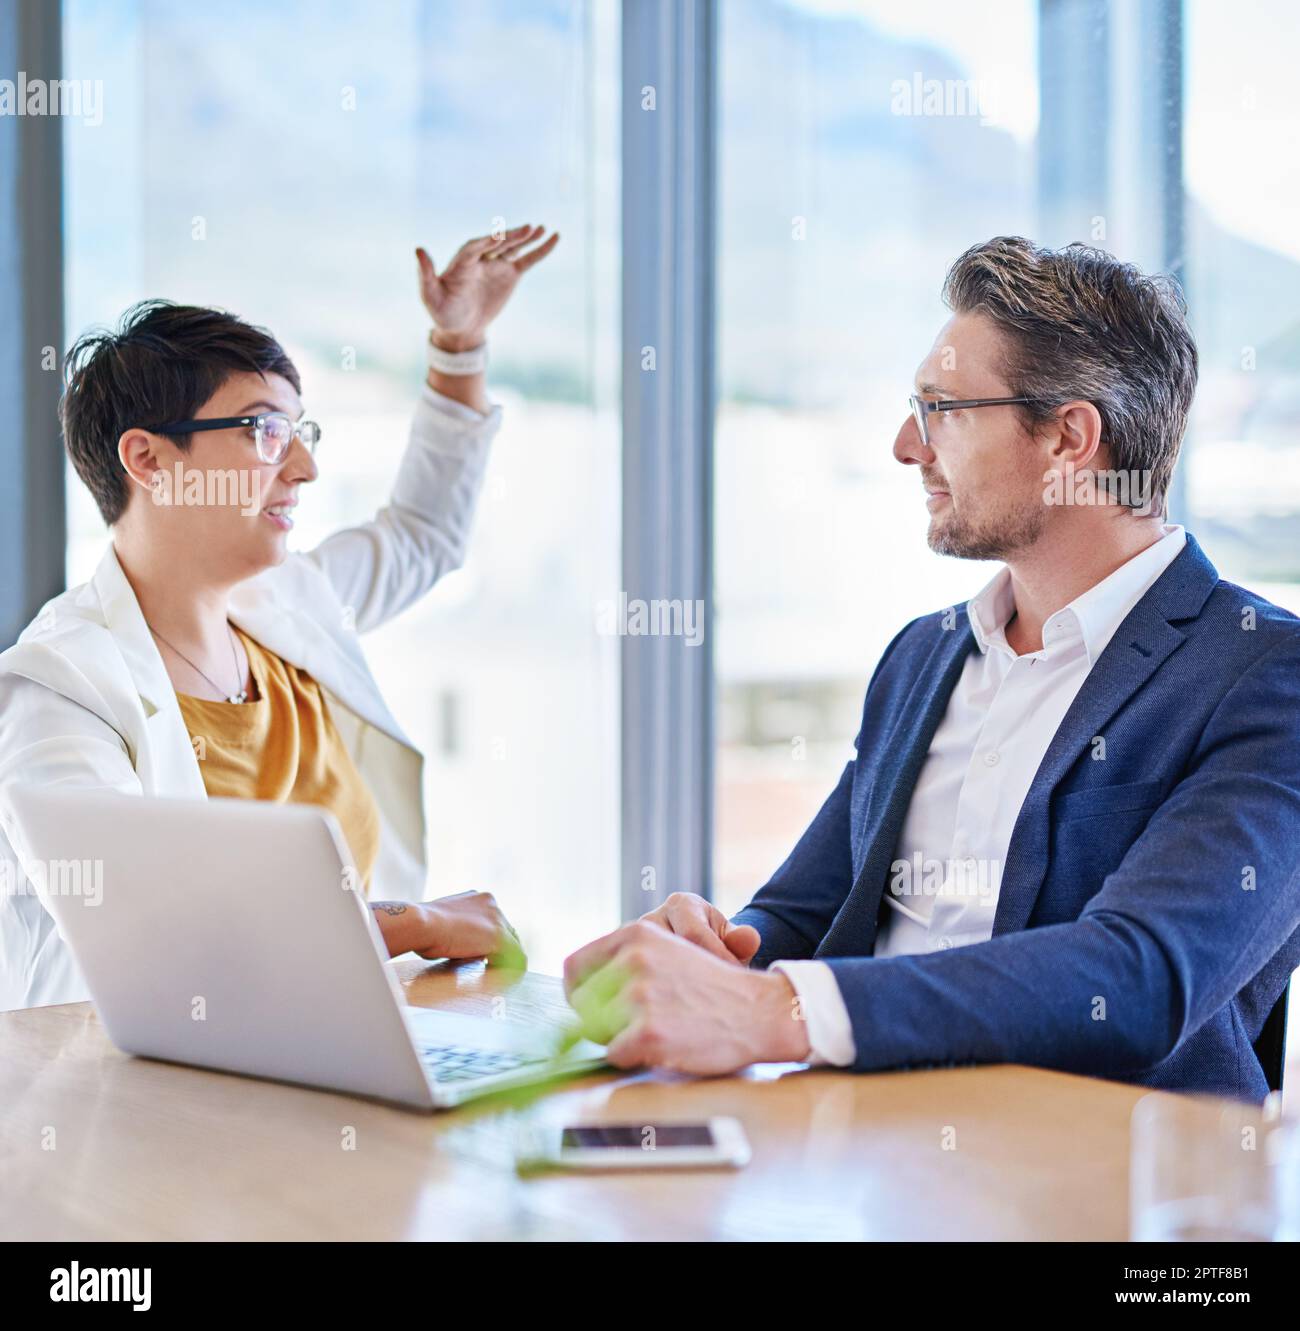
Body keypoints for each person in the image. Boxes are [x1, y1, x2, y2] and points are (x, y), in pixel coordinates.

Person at [563, 236, 1300, 1102]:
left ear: (1069, 436)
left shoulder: (1262, 673)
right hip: (859, 1159)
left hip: (1094, 1190)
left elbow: (1137, 977)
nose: (906, 446)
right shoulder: (922, 654)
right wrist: (718, 954)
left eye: (942, 408)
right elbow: (807, 913)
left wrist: (773, 1012)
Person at [0, 224, 558, 1011]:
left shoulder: (289, 606)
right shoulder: (57, 690)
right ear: (149, 459)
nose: (303, 467)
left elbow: (425, 534)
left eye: (302, 432)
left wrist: (458, 347)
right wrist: (418, 923)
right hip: (155, 1109)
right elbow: (142, 939)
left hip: (341, 1054)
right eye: (265, 431)